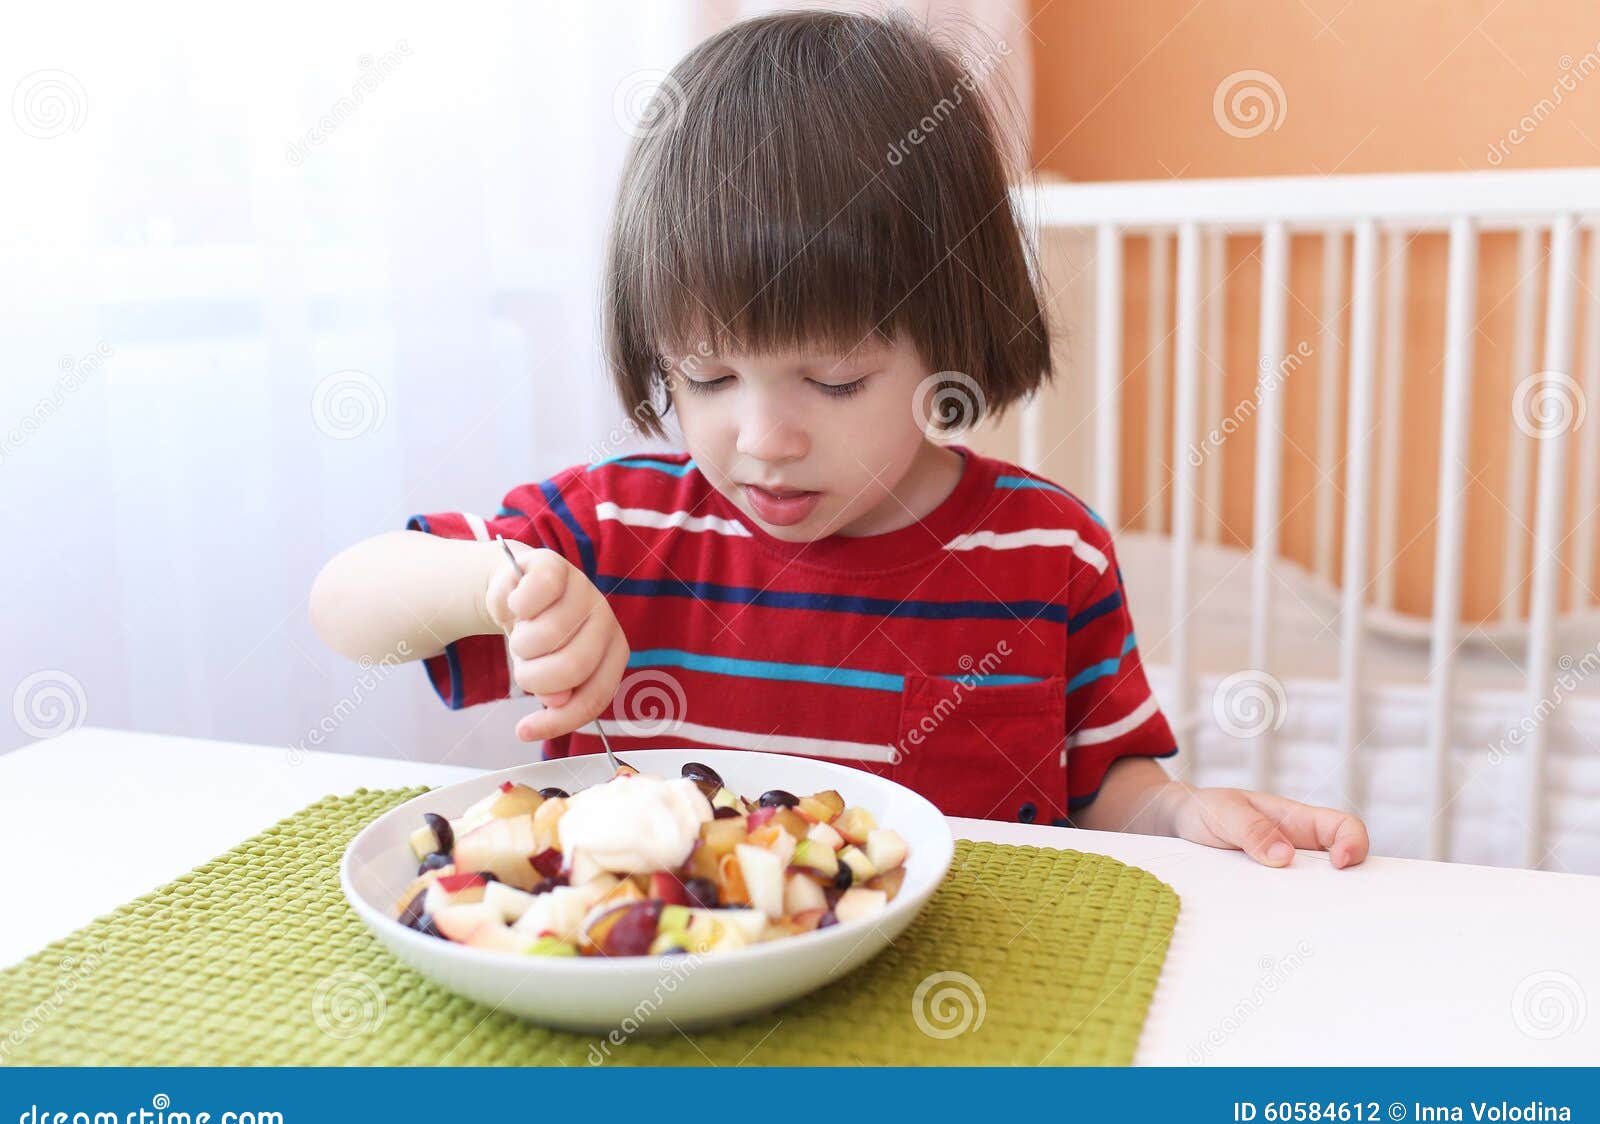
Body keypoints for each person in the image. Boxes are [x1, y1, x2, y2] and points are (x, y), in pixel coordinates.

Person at [311, 9, 1368, 870]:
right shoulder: (607, 527)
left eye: (834, 379)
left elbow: (1105, 790)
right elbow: (347, 602)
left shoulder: (1049, 556)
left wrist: (1179, 815)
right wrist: (496, 586)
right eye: (707, 375)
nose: (763, 437)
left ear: (951, 341)